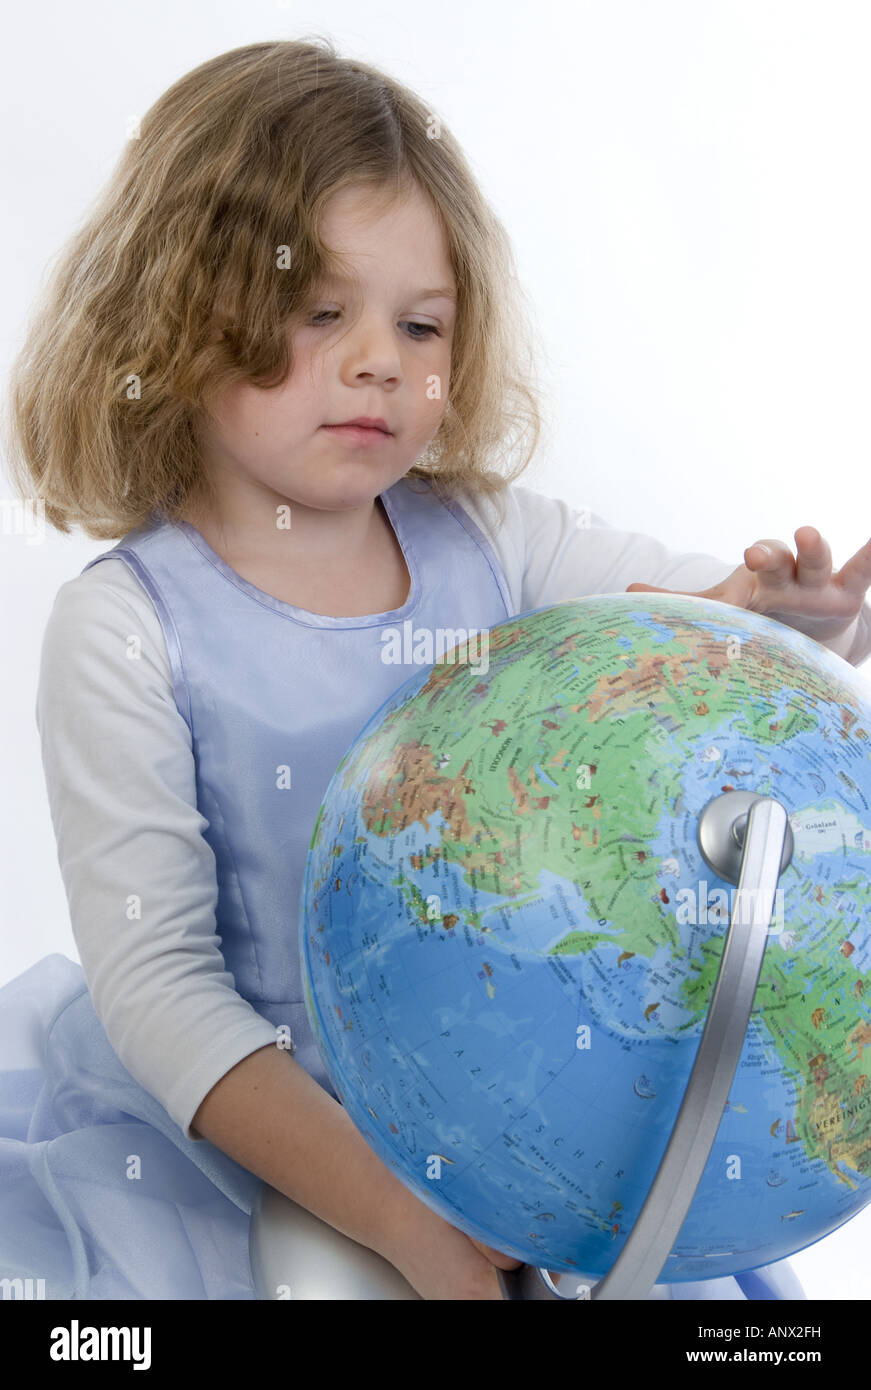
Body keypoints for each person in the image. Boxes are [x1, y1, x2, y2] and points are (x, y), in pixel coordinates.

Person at [2, 37, 870, 1303]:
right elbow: (162, 991)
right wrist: (401, 1219)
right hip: (275, 1146)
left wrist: (783, 623)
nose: (379, 362)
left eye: (420, 325)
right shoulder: (130, 630)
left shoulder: (497, 541)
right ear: (181, 318)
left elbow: (691, 642)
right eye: (319, 315)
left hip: (529, 1116)